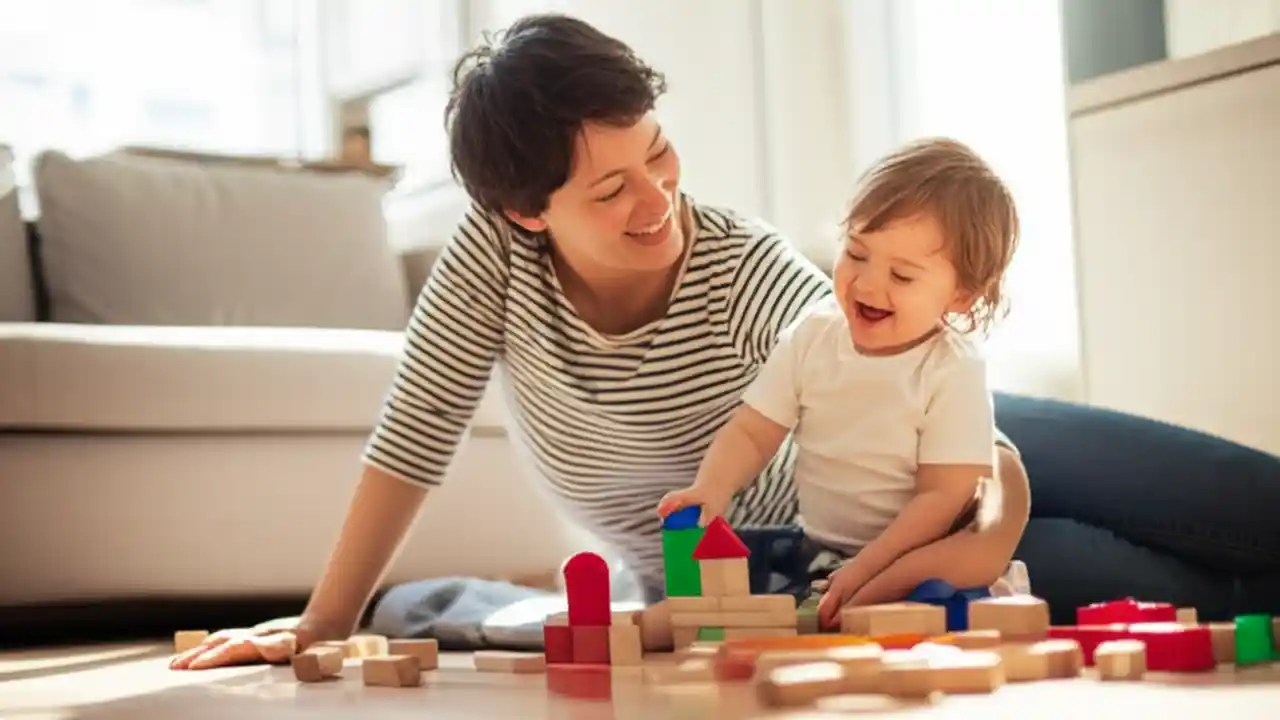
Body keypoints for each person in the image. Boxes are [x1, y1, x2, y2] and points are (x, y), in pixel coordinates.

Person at [170, 12, 1280, 670]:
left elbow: (914, 405)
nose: (657, 198)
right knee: (1178, 588)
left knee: (1241, 502)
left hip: (953, 450)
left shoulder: (740, 267)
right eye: (611, 188)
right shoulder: (489, 265)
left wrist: (987, 514)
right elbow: (413, 433)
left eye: (659, 153)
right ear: (527, 212)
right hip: (835, 559)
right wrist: (319, 622)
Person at [659, 137, 1021, 627]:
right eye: (856, 253)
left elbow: (942, 498)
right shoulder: (813, 334)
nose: (868, 284)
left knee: (923, 606)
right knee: (742, 599)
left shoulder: (952, 369)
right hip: (820, 549)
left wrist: (868, 569)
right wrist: (712, 487)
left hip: (917, 549)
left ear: (961, 295)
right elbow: (752, 431)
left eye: (902, 276)